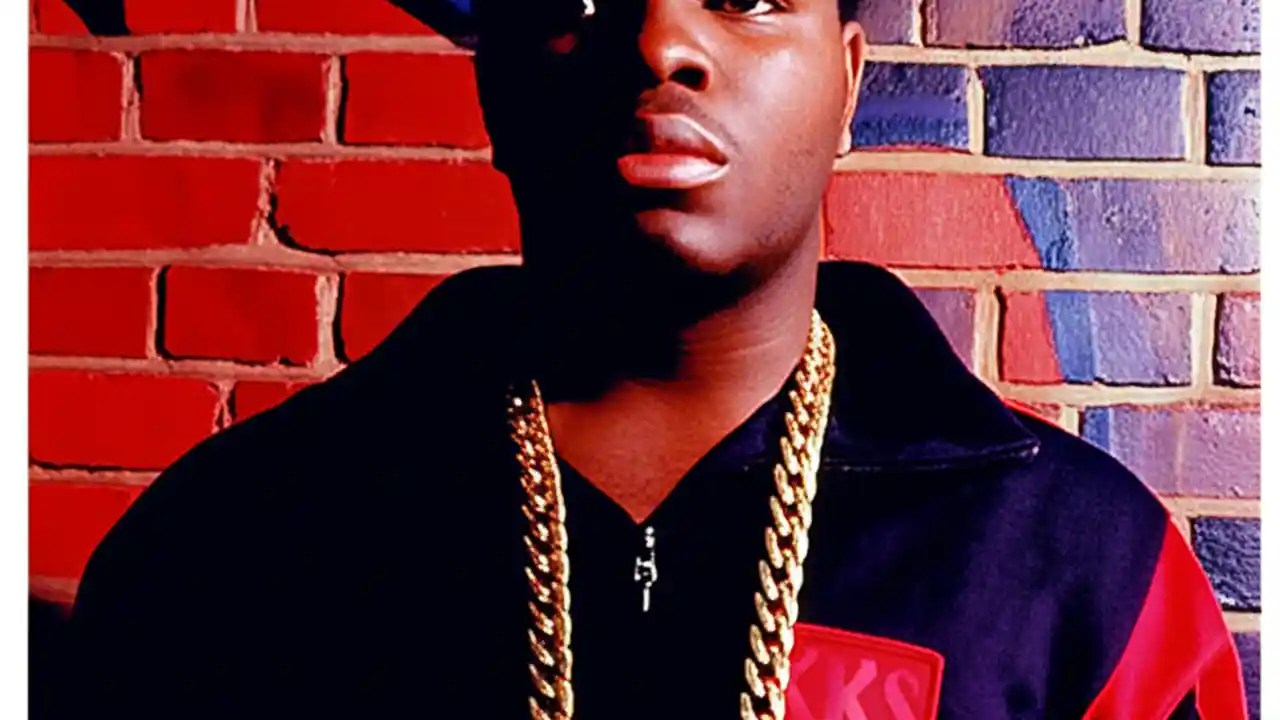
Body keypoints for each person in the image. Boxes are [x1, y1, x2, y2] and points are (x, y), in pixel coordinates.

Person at [68, 0, 1247, 717]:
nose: (657, 43)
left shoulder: (1078, 572)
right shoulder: (232, 545)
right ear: (495, 86)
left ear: (846, 82)